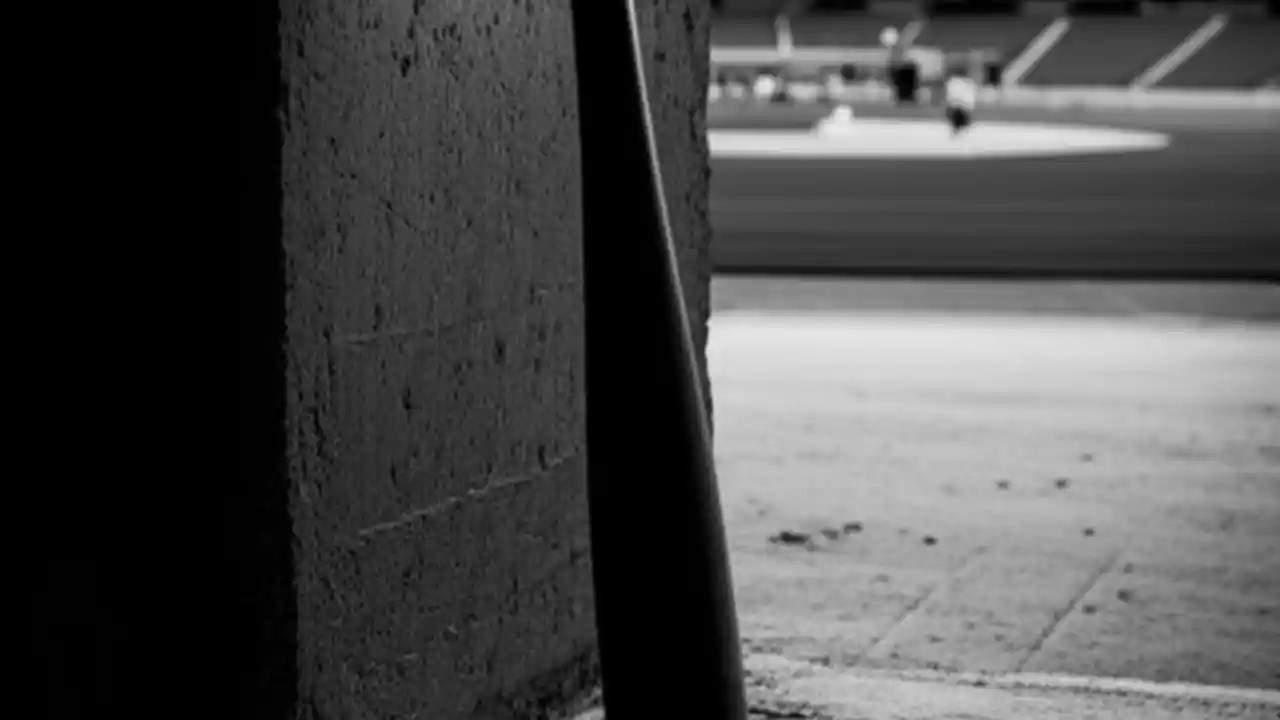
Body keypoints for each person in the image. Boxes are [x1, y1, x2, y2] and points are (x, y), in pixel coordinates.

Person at [943, 69, 977, 137]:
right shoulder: (965, 83)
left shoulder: (954, 82)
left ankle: (960, 126)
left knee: (956, 109)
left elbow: (950, 98)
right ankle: (960, 126)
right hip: (961, 108)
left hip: (960, 108)